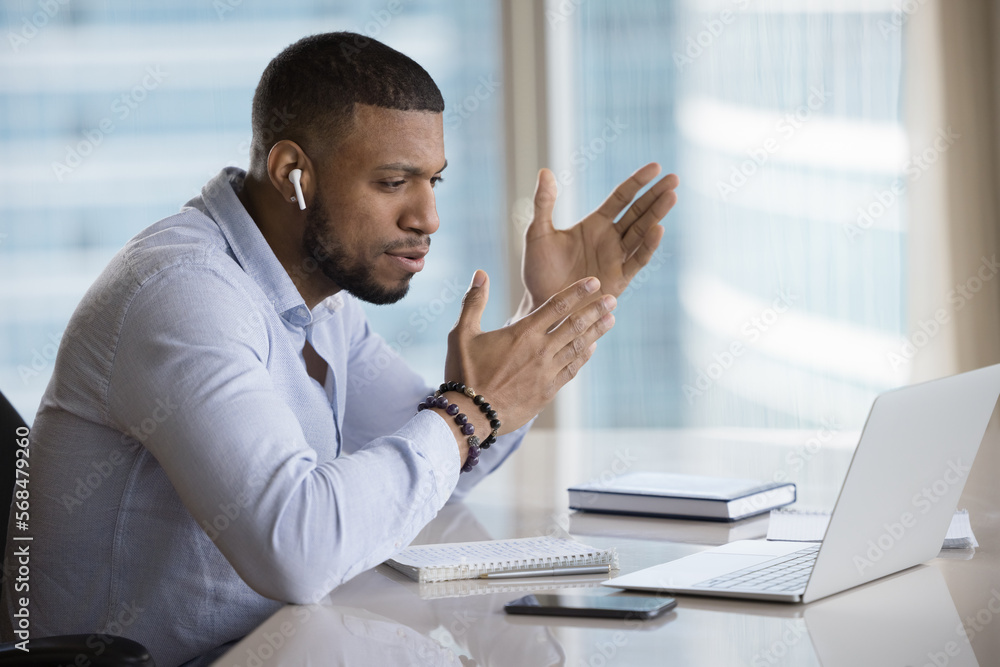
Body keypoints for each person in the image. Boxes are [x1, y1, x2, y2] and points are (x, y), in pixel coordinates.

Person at [1, 32, 678, 666]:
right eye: (393, 182)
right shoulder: (183, 295)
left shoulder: (318, 296)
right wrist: (468, 409)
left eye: (434, 181)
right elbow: (297, 549)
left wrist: (550, 315)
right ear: (293, 172)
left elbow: (440, 464)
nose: (428, 217)